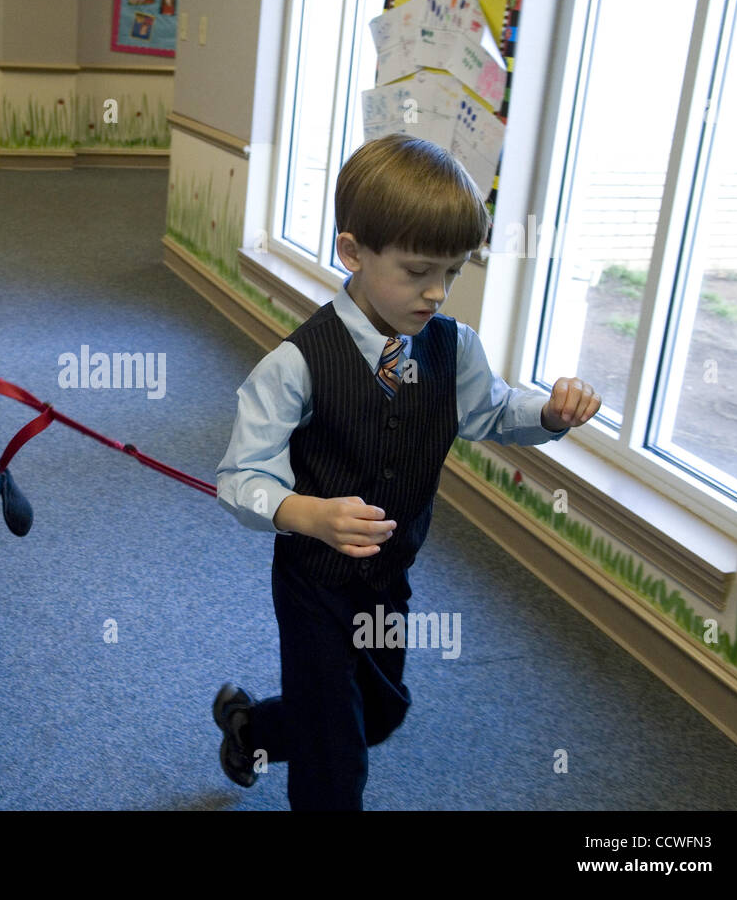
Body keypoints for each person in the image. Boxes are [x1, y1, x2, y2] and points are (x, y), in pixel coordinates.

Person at [213, 133, 601, 810]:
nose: (437, 292)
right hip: (313, 583)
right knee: (336, 761)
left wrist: (553, 415)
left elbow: (495, 414)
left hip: (390, 574)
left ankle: (255, 728)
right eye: (419, 270)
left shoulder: (457, 349)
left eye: (452, 271)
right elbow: (240, 476)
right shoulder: (297, 363)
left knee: (380, 715)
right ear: (353, 252)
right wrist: (306, 512)